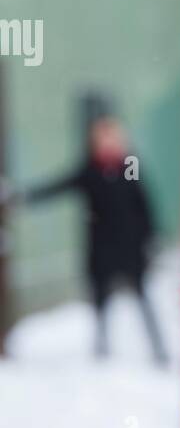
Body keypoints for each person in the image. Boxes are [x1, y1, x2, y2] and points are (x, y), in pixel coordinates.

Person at [7, 114, 169, 364]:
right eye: (102, 137)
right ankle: (101, 354)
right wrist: (24, 197)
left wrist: (152, 237)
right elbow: (60, 185)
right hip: (102, 249)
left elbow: (142, 203)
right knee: (101, 303)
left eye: (112, 136)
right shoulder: (90, 170)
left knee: (143, 299)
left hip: (130, 247)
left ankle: (160, 352)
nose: (108, 142)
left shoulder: (129, 165)